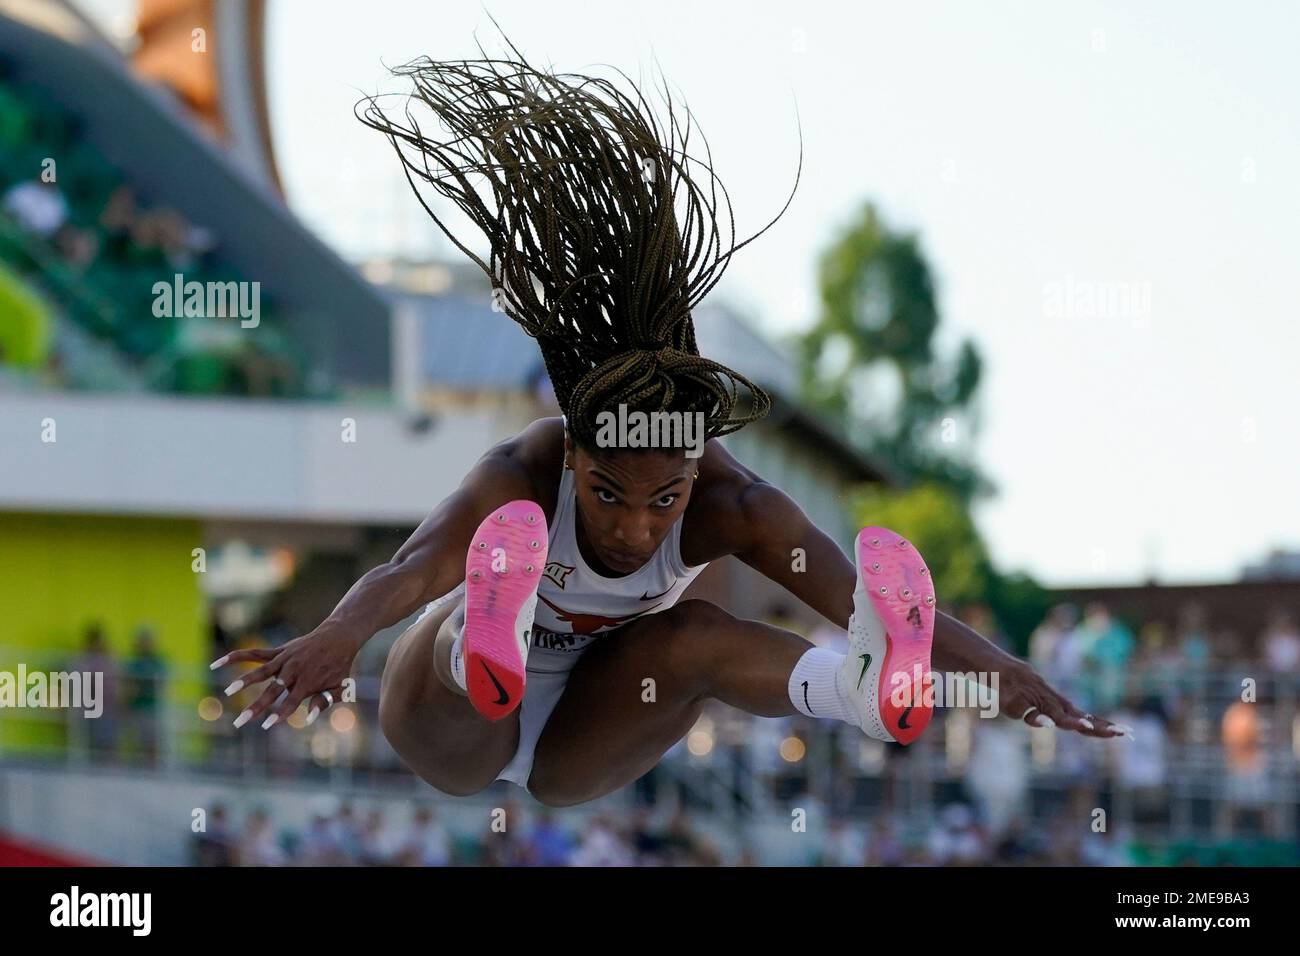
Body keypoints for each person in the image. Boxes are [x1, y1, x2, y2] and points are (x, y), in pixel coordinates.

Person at [213, 36, 1126, 811]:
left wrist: (1011, 677)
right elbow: (411, 570)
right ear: (573, 454)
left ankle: (857, 693)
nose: (635, 526)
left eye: (665, 501)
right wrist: (333, 638)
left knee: (691, 637)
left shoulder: (739, 505)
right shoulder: (518, 476)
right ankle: (482, 637)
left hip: (594, 731)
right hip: (449, 722)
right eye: (610, 495)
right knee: (467, 670)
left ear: (696, 473)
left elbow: (861, 598)